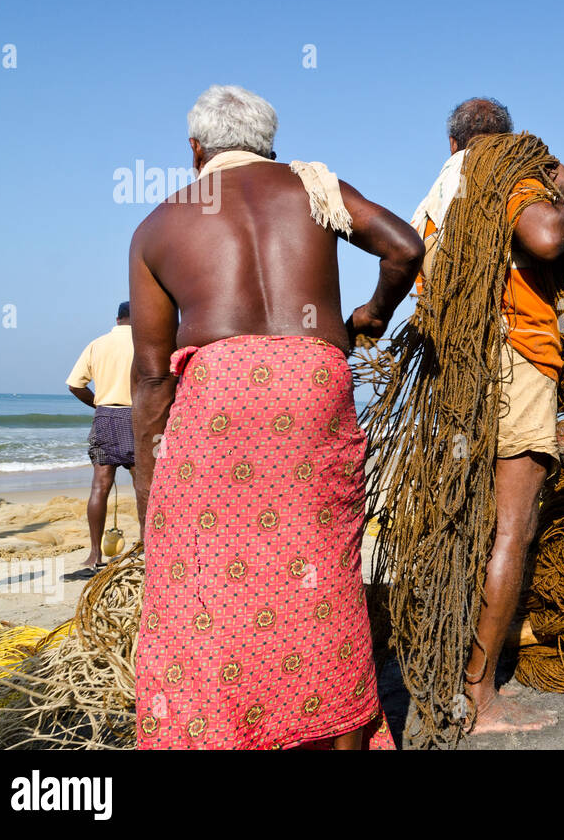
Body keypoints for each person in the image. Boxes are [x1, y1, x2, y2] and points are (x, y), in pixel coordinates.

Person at [128, 85, 423, 750]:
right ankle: (335, 726)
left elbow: (150, 374)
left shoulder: (159, 223)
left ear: (195, 150)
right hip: (314, 379)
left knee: (201, 574)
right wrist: (372, 315)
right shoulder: (314, 185)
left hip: (222, 386)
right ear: (270, 144)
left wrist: (152, 496)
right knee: (322, 556)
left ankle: (223, 729)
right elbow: (404, 246)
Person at [409, 97, 564, 734]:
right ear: (504, 140)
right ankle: (480, 699)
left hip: (452, 369)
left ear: (450, 144)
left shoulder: (436, 190)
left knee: (461, 521)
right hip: (515, 356)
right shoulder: (508, 171)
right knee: (513, 527)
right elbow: (546, 235)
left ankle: (446, 663)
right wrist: (558, 176)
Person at [65, 301, 136, 576]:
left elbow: (75, 385)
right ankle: (147, 547)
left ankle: (94, 554)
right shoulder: (147, 343)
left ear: (117, 319)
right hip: (137, 417)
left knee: (100, 487)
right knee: (144, 486)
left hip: (106, 416)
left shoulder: (97, 344)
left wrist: (99, 404)